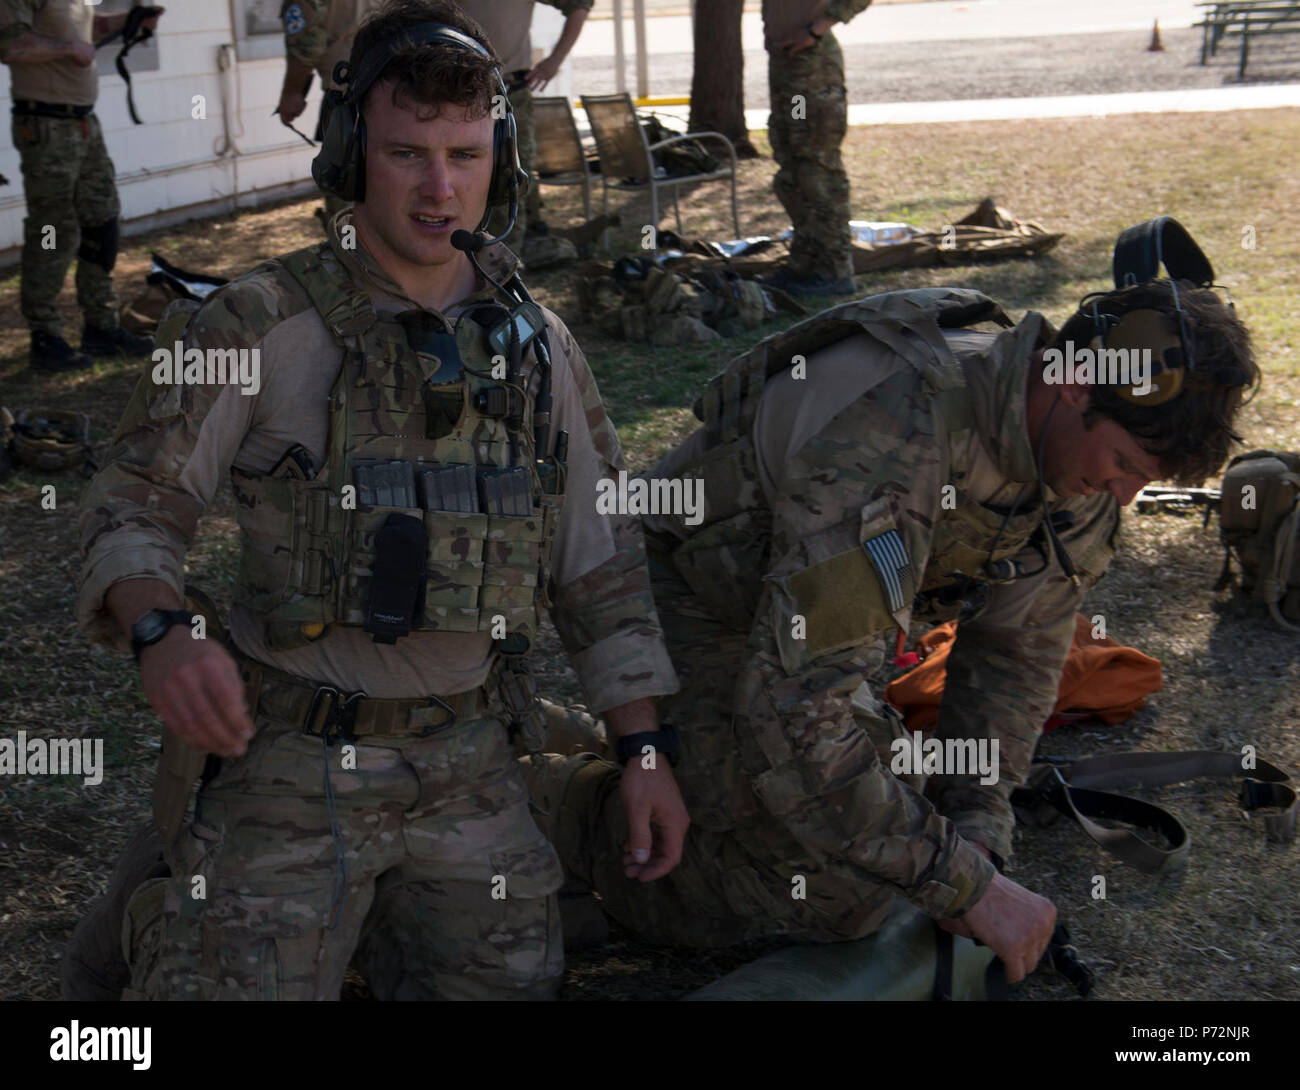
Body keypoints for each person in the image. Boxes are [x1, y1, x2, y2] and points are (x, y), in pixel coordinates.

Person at [70, 0, 684, 1002]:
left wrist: (644, 750)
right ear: (352, 155)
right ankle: (161, 912)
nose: (441, 189)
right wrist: (162, 632)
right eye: (407, 155)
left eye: (465, 154)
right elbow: (135, 500)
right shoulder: (260, 321)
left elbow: (597, 559)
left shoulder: (535, 344)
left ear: (502, 160)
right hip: (294, 756)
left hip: (472, 755)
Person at [529, 275, 1258, 984]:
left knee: (883, 837)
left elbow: (1014, 658)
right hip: (689, 593)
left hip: (805, 634)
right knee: (826, 882)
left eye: (1145, 478)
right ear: (1071, 384)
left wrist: (978, 832)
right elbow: (794, 712)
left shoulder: (1076, 458)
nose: (1126, 494)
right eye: (1126, 464)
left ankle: (593, 749)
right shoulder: (895, 433)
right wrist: (966, 886)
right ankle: (550, 796)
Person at [0, 0, 163, 371]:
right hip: (45, 125)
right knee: (51, 229)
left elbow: (84, 30)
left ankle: (101, 327)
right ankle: (45, 335)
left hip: (84, 123)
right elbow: (12, 46)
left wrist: (129, 20)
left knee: (101, 220)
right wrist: (70, 49)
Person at [459, 0, 591, 266]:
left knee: (511, 184)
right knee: (457, 181)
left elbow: (580, 5)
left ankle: (505, 276)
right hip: (451, 95)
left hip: (507, 94)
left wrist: (554, 61)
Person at [761, 0, 873, 297]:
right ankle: (804, 263)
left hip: (813, 68)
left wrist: (816, 29)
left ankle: (836, 271)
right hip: (787, 68)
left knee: (817, 168)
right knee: (792, 167)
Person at [276, 0, 383, 226]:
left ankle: (348, 253)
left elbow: (307, 43)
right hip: (397, 88)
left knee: (344, 187)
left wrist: (292, 92)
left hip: (348, 93)